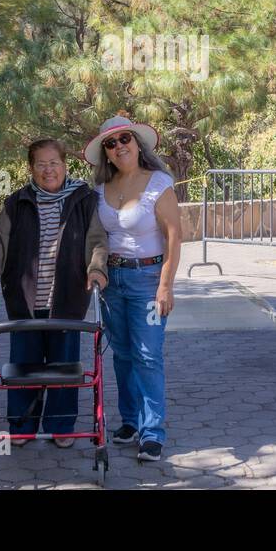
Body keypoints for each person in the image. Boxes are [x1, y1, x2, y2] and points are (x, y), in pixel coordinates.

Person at [0, 138, 108, 445]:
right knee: (24, 368)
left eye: (54, 163)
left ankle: (61, 428)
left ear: (65, 165)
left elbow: (97, 241)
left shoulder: (83, 199)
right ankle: (21, 427)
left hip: (67, 300)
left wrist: (97, 268)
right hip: (25, 302)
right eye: (41, 164)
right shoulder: (17, 202)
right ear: (31, 168)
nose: (49, 170)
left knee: (64, 369)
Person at [84, 115, 182, 463]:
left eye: (124, 138)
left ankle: (153, 433)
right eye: (110, 143)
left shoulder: (159, 183)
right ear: (106, 154)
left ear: (137, 143)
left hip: (148, 279)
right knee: (122, 355)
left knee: (148, 355)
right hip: (113, 281)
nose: (118, 146)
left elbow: (174, 236)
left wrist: (165, 286)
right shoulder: (99, 191)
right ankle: (130, 422)